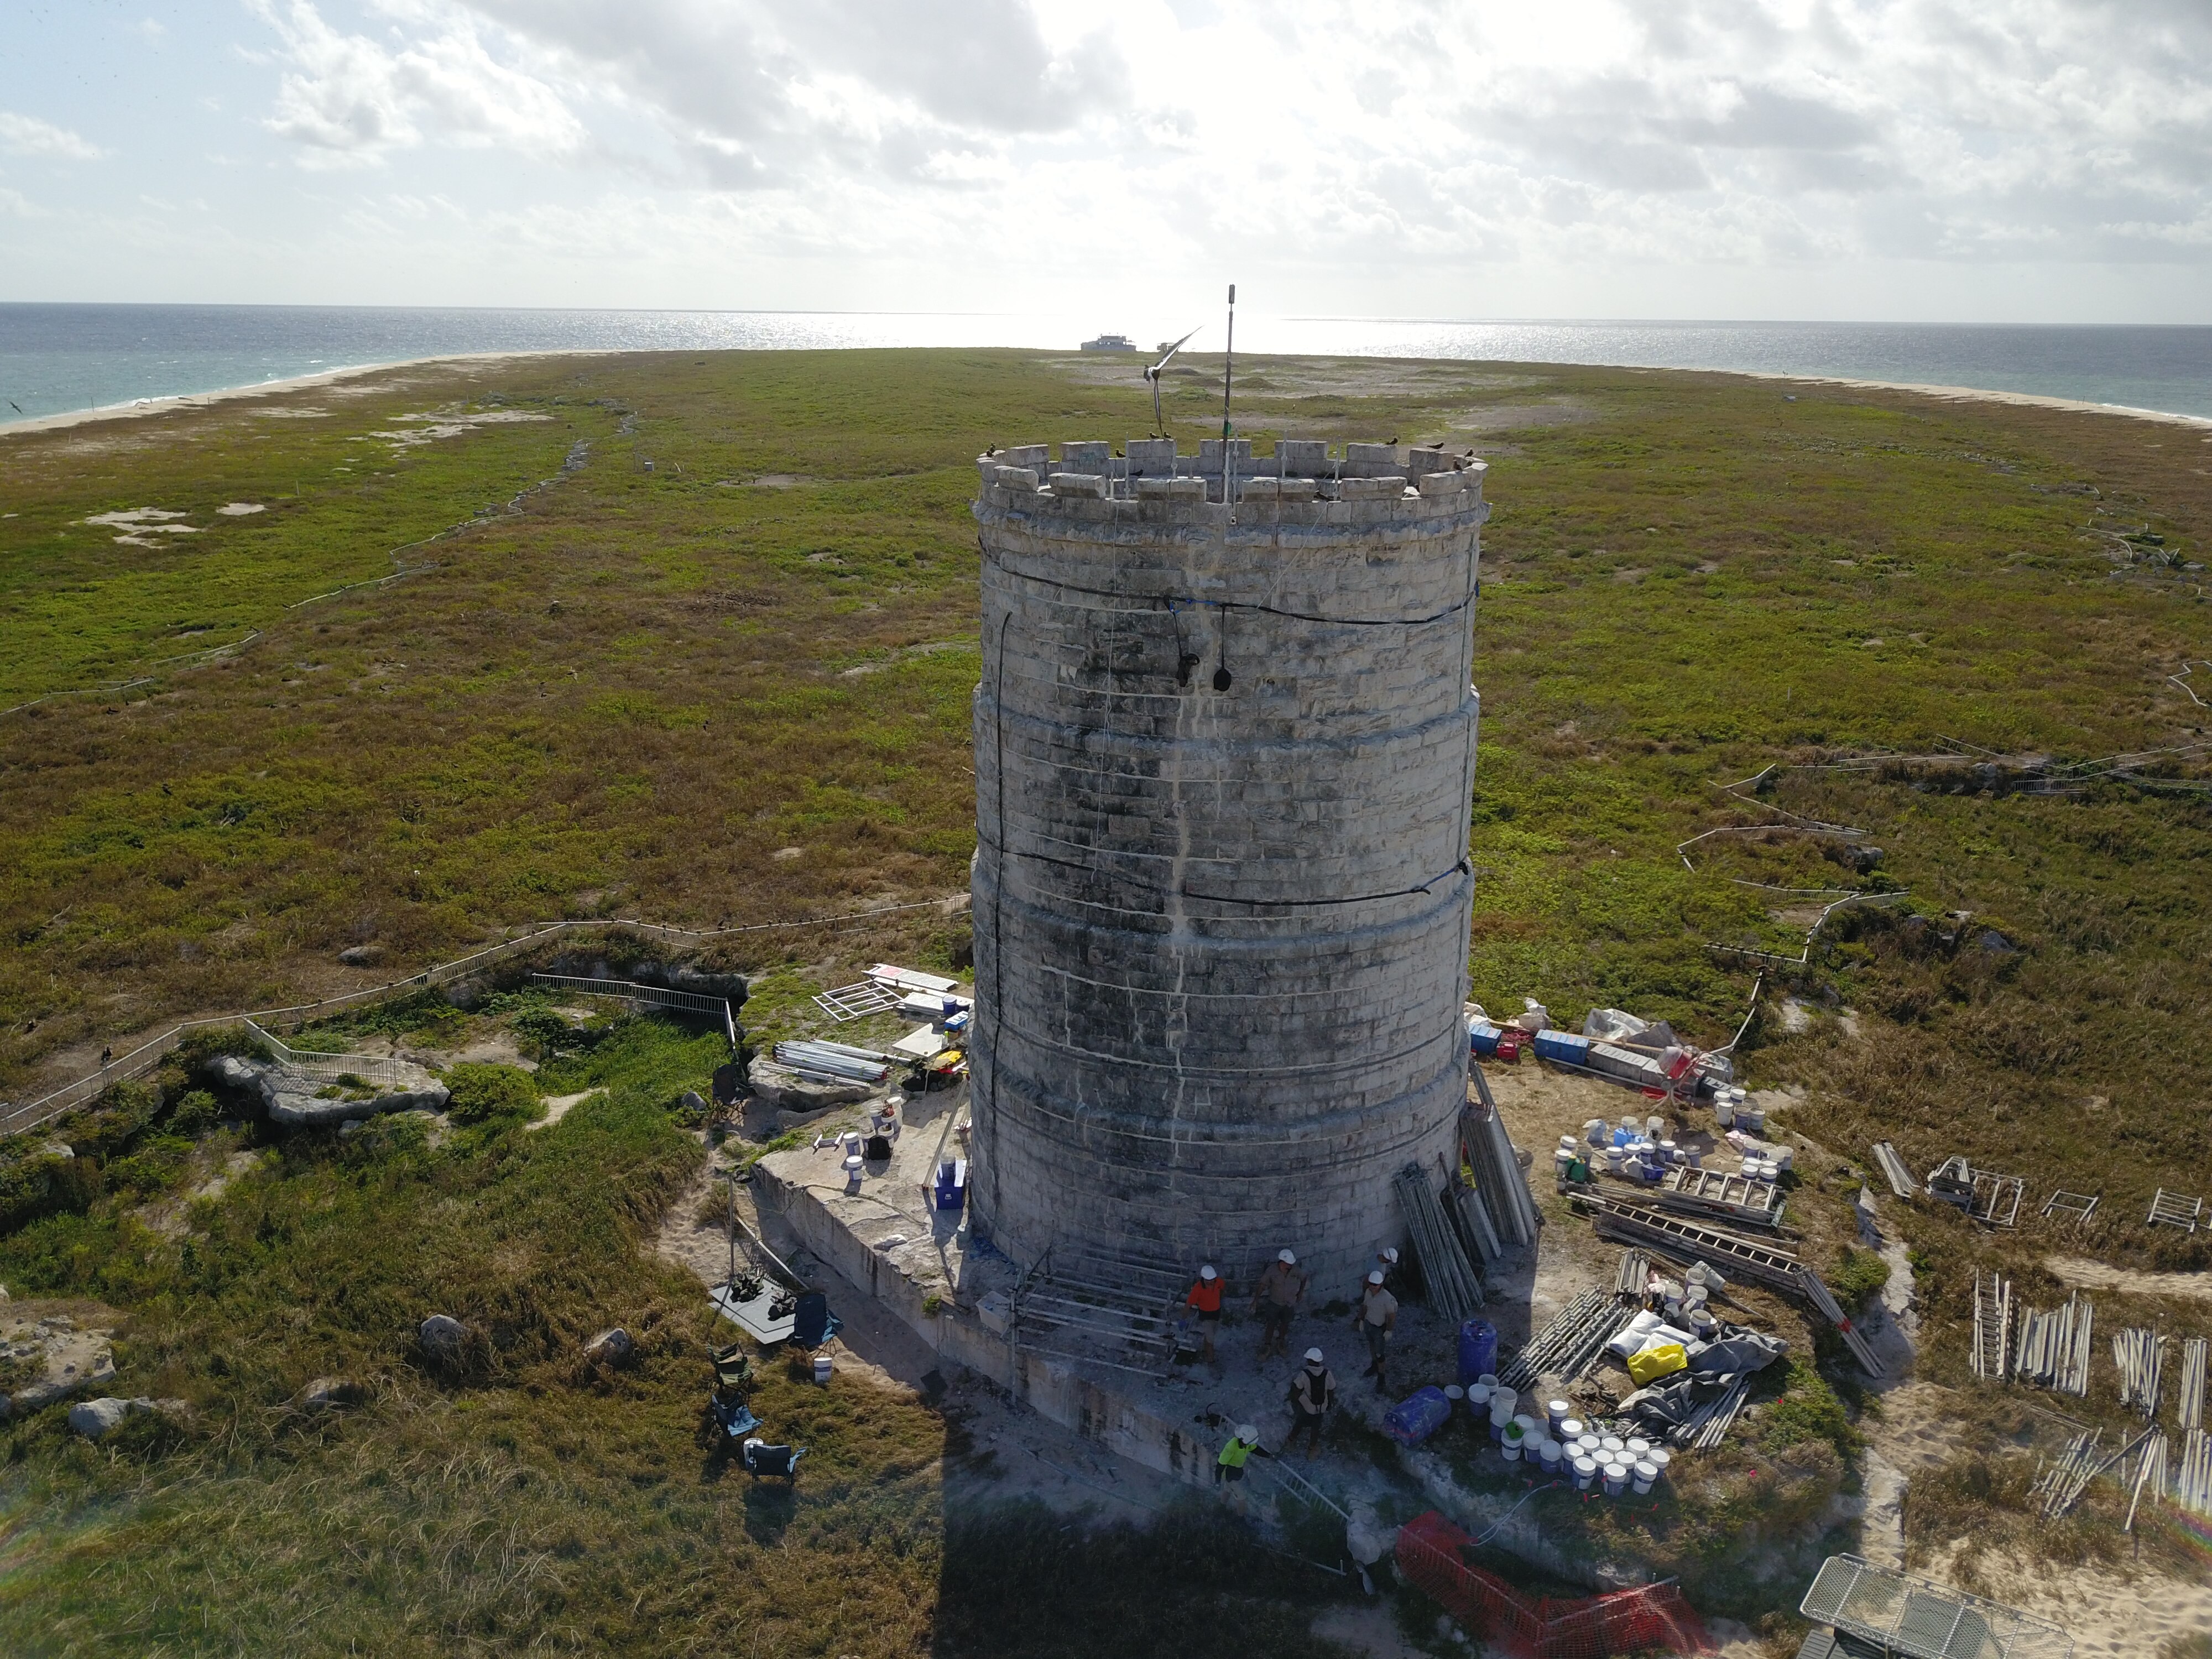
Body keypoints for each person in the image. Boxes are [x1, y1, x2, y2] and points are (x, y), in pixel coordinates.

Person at [1251, 1248, 1309, 1359]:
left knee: (1285, 1323)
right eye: (1288, 1264)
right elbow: (1262, 1286)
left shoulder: (1295, 1270)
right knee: (1271, 1324)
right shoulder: (1272, 1271)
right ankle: (1267, 1345)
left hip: (1289, 1303)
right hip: (1274, 1303)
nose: (1291, 1266)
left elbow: (1304, 1278)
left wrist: (1300, 1293)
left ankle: (1281, 1341)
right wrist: (1255, 1301)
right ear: (1282, 1262)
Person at [1287, 1347, 1337, 1457]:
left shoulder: (1304, 1374)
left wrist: (1294, 1401)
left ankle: (1291, 1440)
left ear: (1309, 1360)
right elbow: (1331, 1389)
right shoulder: (1327, 1373)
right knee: (1316, 1428)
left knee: (1300, 1422)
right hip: (1321, 1407)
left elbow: (1297, 1389)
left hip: (1307, 1406)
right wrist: (1329, 1403)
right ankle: (1312, 1448)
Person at [1353, 1269, 1398, 1391]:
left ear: (1381, 1285)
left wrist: (1389, 1330)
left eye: (1375, 1285)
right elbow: (1365, 1306)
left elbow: (1392, 1316)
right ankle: (1374, 1366)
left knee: (1380, 1354)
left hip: (1379, 1328)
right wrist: (1361, 1319)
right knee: (1372, 1347)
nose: (1372, 1287)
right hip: (1369, 1324)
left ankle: (1381, 1378)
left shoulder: (1387, 1298)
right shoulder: (1368, 1292)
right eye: (1371, 1284)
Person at [1214, 1422, 1270, 1500]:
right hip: (1229, 1471)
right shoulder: (1230, 1448)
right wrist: (1217, 1482)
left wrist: (1269, 1456)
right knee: (1240, 1496)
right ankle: (1234, 1501)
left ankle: (1225, 1499)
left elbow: (1256, 1450)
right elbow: (1220, 1466)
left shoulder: (1246, 1443)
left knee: (1230, 1487)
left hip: (1238, 1468)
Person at [1183, 1264, 1225, 1361]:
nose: (1211, 1283)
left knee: (1209, 1335)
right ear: (1204, 1279)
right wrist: (1183, 1319)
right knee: (1211, 1339)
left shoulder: (1218, 1282)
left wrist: (1218, 1300)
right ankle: (1211, 1360)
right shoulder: (1197, 1289)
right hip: (1206, 1315)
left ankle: (1205, 1350)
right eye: (1208, 1281)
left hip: (1217, 1313)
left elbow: (1222, 1289)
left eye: (1212, 1280)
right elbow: (1188, 1305)